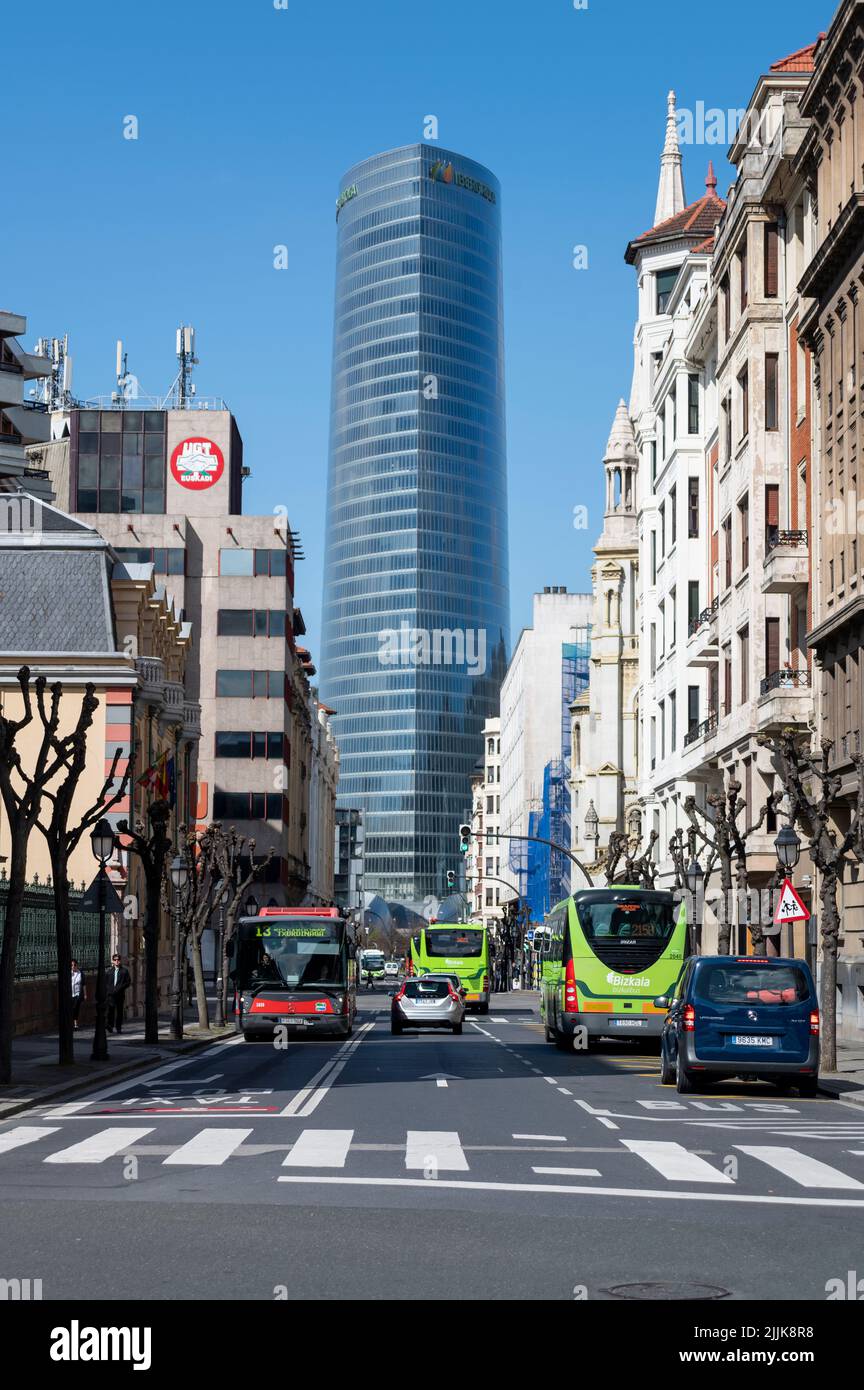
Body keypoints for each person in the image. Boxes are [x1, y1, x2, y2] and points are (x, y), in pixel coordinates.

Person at [105, 953, 131, 1034]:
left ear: (120, 961)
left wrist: (121, 988)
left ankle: (118, 1027)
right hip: (111, 995)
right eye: (115, 960)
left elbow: (128, 982)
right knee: (111, 1011)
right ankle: (110, 1026)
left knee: (119, 1012)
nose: (117, 961)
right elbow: (106, 983)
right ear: (113, 961)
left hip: (120, 995)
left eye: (118, 960)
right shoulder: (109, 972)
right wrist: (109, 991)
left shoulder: (124, 971)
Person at [71, 959, 86, 1029]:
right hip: (70, 994)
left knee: (75, 1008)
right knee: (71, 1008)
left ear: (77, 965)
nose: (73, 967)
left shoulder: (81, 974)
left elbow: (83, 984)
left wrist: (85, 994)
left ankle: (75, 1023)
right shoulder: (69, 973)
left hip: (77, 994)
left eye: (74, 965)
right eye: (71, 965)